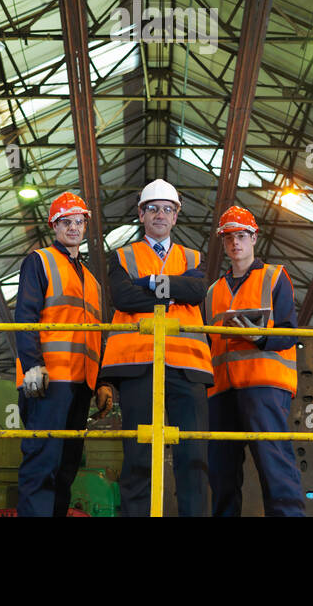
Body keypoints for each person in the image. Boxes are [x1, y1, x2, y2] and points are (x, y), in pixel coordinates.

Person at [99, 179, 212, 516]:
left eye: (167, 209)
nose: (160, 215)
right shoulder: (121, 256)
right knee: (138, 455)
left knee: (193, 457)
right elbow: (123, 297)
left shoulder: (195, 256)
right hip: (138, 366)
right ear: (141, 214)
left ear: (176, 216)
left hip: (186, 366)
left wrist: (147, 284)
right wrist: (174, 289)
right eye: (153, 209)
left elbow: (197, 292)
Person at [14, 191, 113, 517]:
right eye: (66, 222)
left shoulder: (93, 282)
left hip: (80, 383)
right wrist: (32, 366)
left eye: (79, 221)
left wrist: (100, 383)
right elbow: (26, 316)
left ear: (86, 225)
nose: (73, 228)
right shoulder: (39, 261)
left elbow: (96, 337)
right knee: (42, 462)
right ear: (54, 225)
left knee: (67, 467)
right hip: (47, 380)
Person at [204, 205, 304, 517]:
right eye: (230, 237)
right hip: (221, 391)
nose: (236, 243)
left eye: (242, 236)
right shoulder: (212, 292)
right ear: (223, 242)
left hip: (264, 386)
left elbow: (289, 332)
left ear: (254, 238)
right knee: (221, 473)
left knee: (274, 464)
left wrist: (260, 337)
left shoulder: (275, 277)